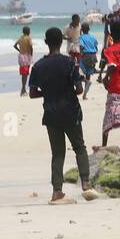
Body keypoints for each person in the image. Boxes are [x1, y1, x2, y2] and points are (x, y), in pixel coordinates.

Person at [28, 27, 89, 205]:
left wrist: (48, 93)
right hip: (71, 111)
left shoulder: (38, 66)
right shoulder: (70, 63)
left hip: (51, 114)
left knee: (57, 153)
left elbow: (32, 93)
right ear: (62, 42)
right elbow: (78, 89)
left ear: (46, 42)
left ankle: (57, 191)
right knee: (79, 147)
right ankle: (85, 183)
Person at [77, 24, 99, 99]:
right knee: (88, 74)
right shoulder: (93, 37)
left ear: (81, 30)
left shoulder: (81, 37)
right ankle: (85, 95)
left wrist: (80, 55)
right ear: (89, 29)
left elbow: (81, 46)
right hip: (93, 56)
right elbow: (96, 47)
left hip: (85, 56)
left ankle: (86, 81)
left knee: (79, 73)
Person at [14, 26, 34, 95]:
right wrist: (31, 54)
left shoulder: (21, 38)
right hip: (27, 56)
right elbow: (31, 46)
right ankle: (23, 89)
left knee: (24, 73)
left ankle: (23, 89)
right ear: (28, 32)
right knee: (25, 73)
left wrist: (19, 50)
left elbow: (15, 45)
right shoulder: (28, 38)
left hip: (21, 56)